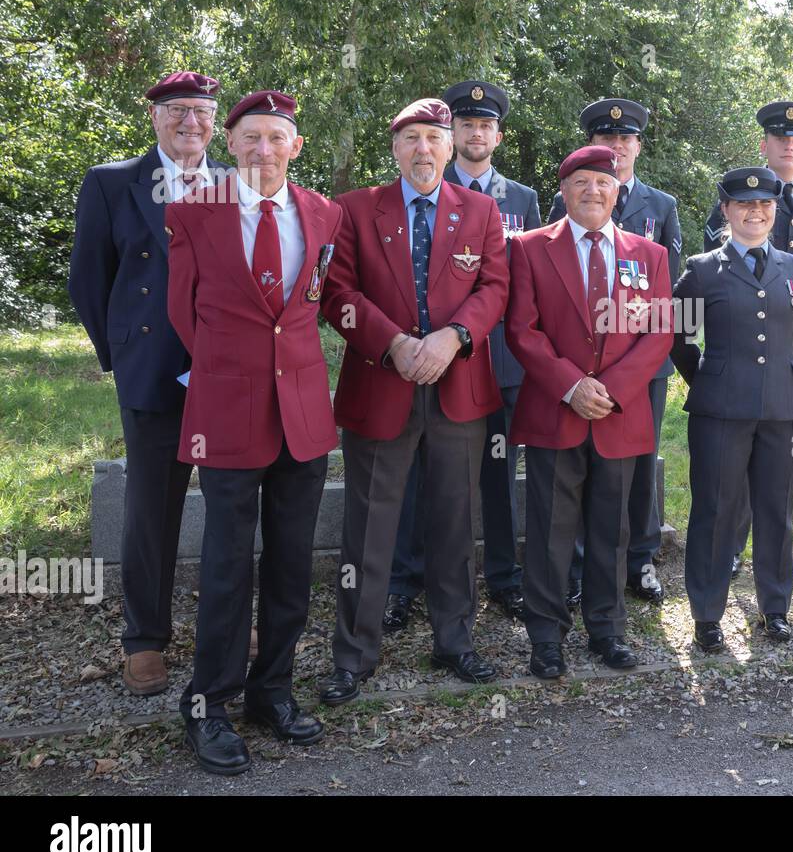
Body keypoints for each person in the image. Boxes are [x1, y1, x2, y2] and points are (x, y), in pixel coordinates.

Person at [167, 90, 342, 774]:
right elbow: (185, 315)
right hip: (227, 412)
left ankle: (273, 689)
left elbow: (316, 301)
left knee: (293, 563)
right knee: (226, 563)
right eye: (250, 137)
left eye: (277, 137)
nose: (263, 150)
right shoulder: (192, 212)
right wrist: (230, 370)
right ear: (230, 144)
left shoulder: (323, 214)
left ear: (295, 147)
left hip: (300, 414)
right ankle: (208, 704)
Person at [319, 98, 508, 702]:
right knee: (369, 528)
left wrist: (454, 338)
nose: (423, 149)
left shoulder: (480, 210)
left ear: (450, 147)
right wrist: (393, 343)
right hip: (381, 384)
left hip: (457, 390)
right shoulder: (353, 210)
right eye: (411, 139)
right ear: (395, 149)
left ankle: (456, 642)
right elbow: (336, 292)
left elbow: (495, 286)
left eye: (434, 137)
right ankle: (354, 655)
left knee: (456, 522)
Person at [68, 70, 224, 697]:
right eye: (178, 111)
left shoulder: (235, 185)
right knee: (151, 510)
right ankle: (145, 640)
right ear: (154, 117)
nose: (192, 123)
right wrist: (123, 356)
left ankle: (227, 626)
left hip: (224, 376)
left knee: (233, 507)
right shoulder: (111, 183)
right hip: (153, 372)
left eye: (203, 112)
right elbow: (88, 279)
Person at [506, 145, 673, 678]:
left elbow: (659, 332)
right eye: (581, 182)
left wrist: (611, 388)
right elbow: (521, 331)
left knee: (612, 529)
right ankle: (546, 636)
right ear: (564, 191)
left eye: (603, 183)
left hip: (619, 415)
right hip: (558, 411)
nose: (593, 191)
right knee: (552, 532)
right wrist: (572, 385)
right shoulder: (530, 249)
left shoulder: (649, 255)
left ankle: (607, 630)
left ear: (618, 190)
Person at [382, 80, 540, 628]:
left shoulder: (523, 199)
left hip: (500, 359)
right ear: (453, 138)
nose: (476, 134)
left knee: (497, 475)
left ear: (497, 135)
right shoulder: (425, 182)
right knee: (416, 476)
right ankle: (405, 581)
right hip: (431, 357)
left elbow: (520, 284)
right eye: (466, 125)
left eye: (486, 125)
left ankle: (502, 577)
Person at [671, 167, 793, 650]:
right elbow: (678, 336)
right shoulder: (700, 269)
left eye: (764, 206)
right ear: (727, 211)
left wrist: (778, 371)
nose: (755, 212)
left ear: (774, 212)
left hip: (782, 406)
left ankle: (774, 608)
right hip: (720, 411)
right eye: (744, 206)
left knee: (776, 509)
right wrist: (709, 379)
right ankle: (707, 614)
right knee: (715, 509)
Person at [703, 101, 793, 576]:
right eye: (781, 138)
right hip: (749, 344)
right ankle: (734, 545)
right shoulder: (738, 194)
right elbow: (715, 266)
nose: (790, 145)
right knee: (745, 445)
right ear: (763, 145)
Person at [549, 98, 681, 604]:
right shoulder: (571, 197)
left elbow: (671, 292)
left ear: (638, 148)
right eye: (607, 140)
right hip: (581, 366)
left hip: (642, 365)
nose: (617, 147)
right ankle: (584, 564)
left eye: (625, 140)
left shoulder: (661, 206)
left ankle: (641, 559)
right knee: (584, 461)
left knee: (639, 463)